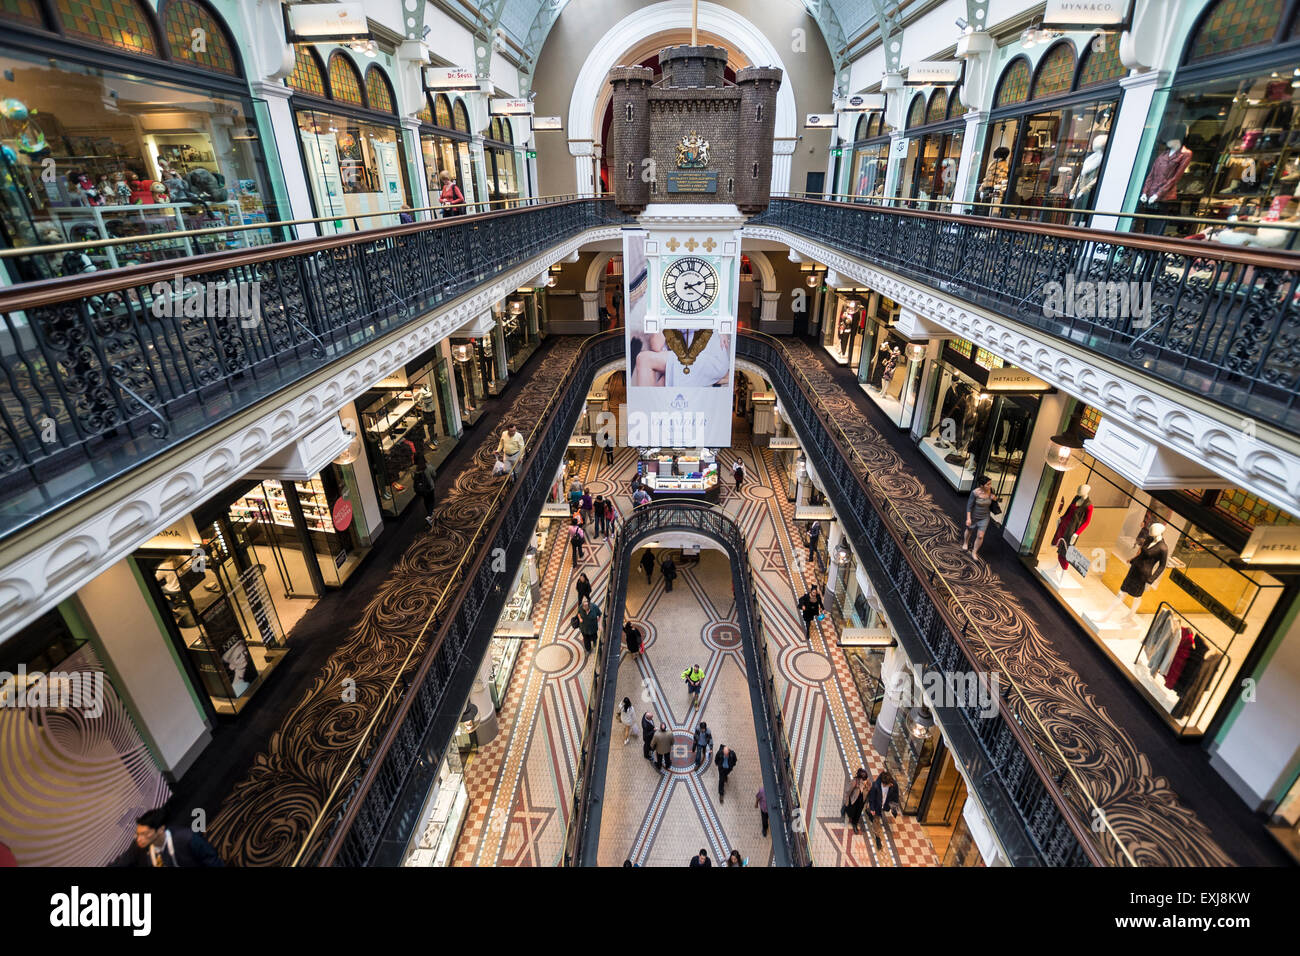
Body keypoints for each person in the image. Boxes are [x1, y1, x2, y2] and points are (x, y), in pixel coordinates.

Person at [110, 808, 224, 867]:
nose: (139, 838)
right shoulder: (142, 848)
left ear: (160, 829)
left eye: (145, 834)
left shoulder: (187, 838)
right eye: (138, 834)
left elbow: (213, 861)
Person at [962, 474, 999, 557]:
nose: (990, 486)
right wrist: (968, 518)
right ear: (982, 485)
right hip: (974, 516)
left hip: (985, 517)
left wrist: (994, 498)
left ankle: (974, 552)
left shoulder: (991, 490)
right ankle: (965, 543)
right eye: (988, 484)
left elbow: (995, 501)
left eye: (990, 483)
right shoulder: (975, 492)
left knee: (980, 536)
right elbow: (969, 506)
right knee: (969, 529)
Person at [867, 770, 901, 850]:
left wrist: (894, 809)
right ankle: (877, 837)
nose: (890, 785)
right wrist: (872, 808)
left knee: (872, 813)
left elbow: (895, 797)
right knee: (876, 821)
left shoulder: (894, 785)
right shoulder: (876, 785)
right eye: (888, 785)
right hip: (877, 806)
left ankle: (868, 811)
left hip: (884, 805)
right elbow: (872, 797)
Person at [841, 767, 870, 834]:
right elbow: (847, 792)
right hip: (854, 799)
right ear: (860, 778)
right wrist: (846, 802)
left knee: (858, 812)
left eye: (865, 779)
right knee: (851, 810)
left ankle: (854, 823)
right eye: (863, 780)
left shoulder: (868, 782)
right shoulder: (854, 782)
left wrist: (868, 802)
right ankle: (844, 808)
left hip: (861, 800)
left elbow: (869, 792)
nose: (865, 781)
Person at [414, 454, 436, 527]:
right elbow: (434, 474)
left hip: (421, 490)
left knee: (426, 501)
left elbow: (413, 478)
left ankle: (430, 513)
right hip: (430, 488)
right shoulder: (428, 467)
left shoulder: (415, 470)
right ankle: (429, 516)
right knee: (431, 501)